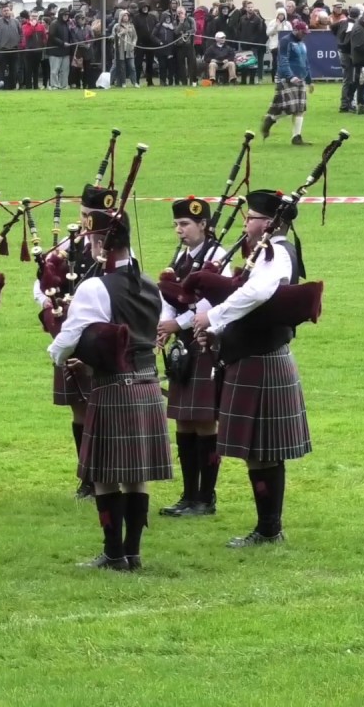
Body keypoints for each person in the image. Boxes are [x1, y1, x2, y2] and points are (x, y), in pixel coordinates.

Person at [48, 210, 172, 571]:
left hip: (113, 387)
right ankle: (132, 552)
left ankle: (113, 553)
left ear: (100, 242)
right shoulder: (150, 283)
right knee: (137, 476)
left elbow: (68, 338)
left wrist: (58, 354)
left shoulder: (94, 287)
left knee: (104, 476)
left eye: (92, 240)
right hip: (148, 383)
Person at [193, 189, 311, 547]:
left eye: (251, 218)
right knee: (257, 453)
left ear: (270, 222)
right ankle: (268, 527)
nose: (246, 224)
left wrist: (213, 317)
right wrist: (219, 331)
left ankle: (269, 529)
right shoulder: (265, 253)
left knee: (264, 452)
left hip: (262, 361)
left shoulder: (276, 253)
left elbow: (257, 294)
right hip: (253, 358)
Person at [35, 183, 115, 499]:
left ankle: (106, 473)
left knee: (102, 409)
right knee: (78, 409)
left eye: (92, 216)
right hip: (70, 334)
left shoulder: (120, 251)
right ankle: (87, 476)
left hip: (101, 337)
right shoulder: (69, 246)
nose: (86, 223)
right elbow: (41, 285)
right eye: (83, 215)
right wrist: (46, 301)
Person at [156, 197, 230, 518]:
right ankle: (188, 495)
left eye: (185, 224)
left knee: (203, 420)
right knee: (184, 420)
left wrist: (178, 323)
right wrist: (164, 323)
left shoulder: (218, 256)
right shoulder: (181, 256)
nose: (180, 231)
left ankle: (206, 497)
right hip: (183, 346)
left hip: (206, 341)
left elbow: (213, 302)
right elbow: (169, 292)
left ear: (203, 225)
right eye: (177, 225)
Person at [261, 20, 313, 146]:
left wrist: (309, 80)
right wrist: (290, 76)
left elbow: (305, 62)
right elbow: (283, 60)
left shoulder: (301, 43)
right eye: (303, 32)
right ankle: (271, 119)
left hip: (300, 78)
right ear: (296, 30)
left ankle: (296, 137)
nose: (305, 35)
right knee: (290, 108)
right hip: (286, 78)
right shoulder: (286, 41)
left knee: (299, 108)